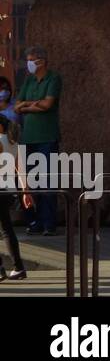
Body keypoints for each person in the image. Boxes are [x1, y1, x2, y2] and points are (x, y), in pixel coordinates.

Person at [12, 45, 61, 235]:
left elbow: (48, 104)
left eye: (32, 60)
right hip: (28, 137)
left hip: (47, 137)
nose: (29, 64)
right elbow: (17, 106)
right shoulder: (29, 81)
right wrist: (31, 105)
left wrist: (26, 106)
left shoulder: (53, 78)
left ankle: (48, 223)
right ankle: (34, 221)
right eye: (28, 60)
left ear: (42, 61)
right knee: (29, 180)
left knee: (47, 180)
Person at [0, 115, 30, 280]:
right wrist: (25, 192)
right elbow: (20, 169)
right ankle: (18, 267)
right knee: (6, 229)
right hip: (9, 191)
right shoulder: (13, 143)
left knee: (6, 229)